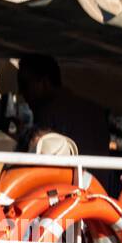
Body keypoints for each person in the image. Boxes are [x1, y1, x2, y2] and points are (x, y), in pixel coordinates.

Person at [16, 54, 113, 190]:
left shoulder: (49, 112)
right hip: (99, 194)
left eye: (24, 85)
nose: (20, 92)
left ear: (45, 82)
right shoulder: (94, 109)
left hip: (70, 195)